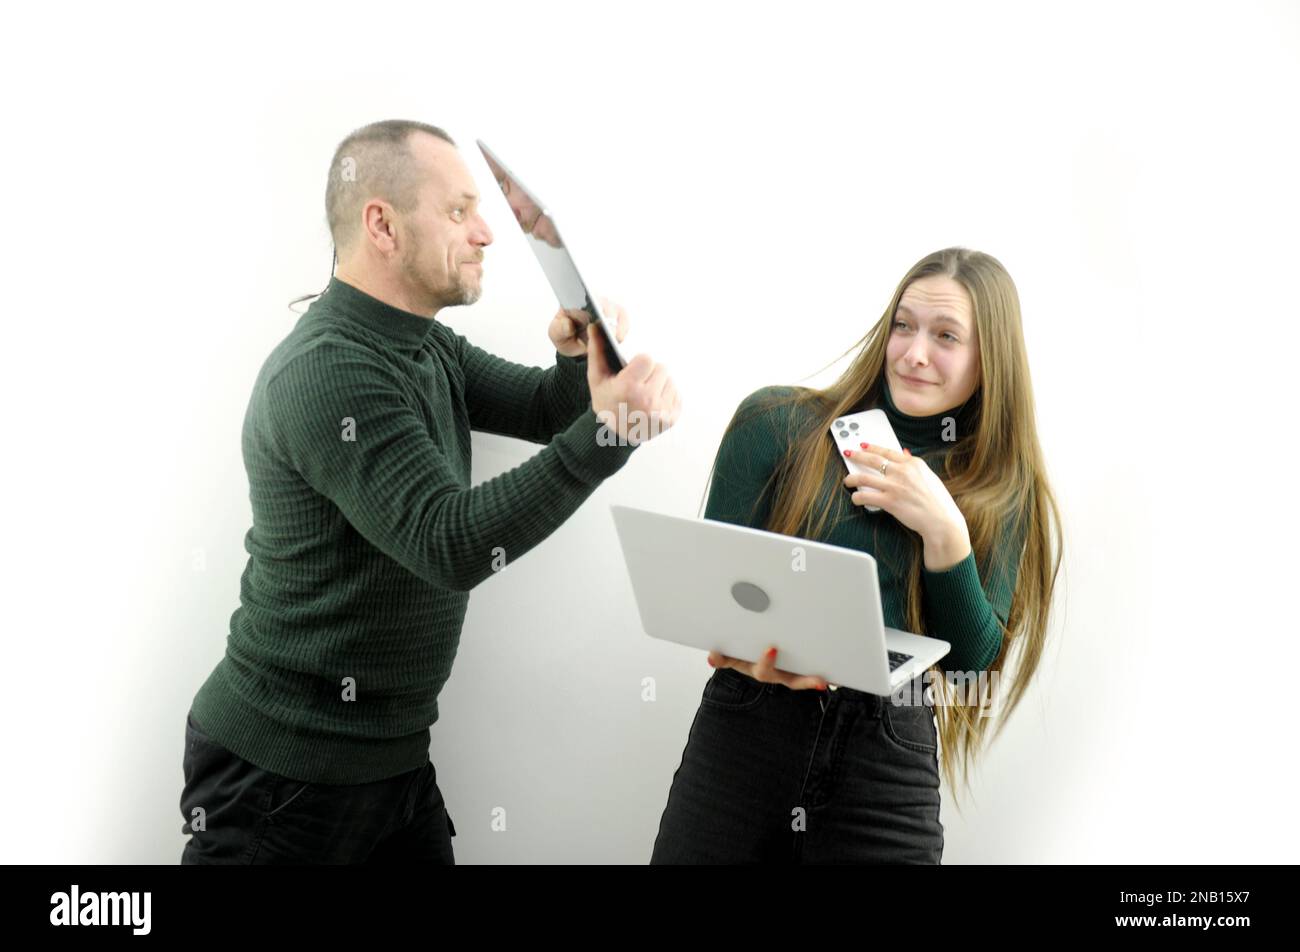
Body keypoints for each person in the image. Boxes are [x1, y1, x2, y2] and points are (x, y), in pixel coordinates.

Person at [180, 119, 680, 864]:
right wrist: (608, 436)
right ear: (381, 223)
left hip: (391, 763)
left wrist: (577, 363)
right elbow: (450, 543)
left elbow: (545, 410)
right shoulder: (328, 371)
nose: (485, 233)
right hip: (281, 778)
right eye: (458, 211)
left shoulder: (423, 344)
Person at [650, 247, 1062, 864]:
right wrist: (748, 650)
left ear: (990, 358)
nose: (914, 353)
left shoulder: (1001, 486)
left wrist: (946, 535)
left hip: (886, 754)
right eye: (903, 325)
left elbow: (974, 663)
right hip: (748, 733)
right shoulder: (775, 424)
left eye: (946, 335)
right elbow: (719, 596)